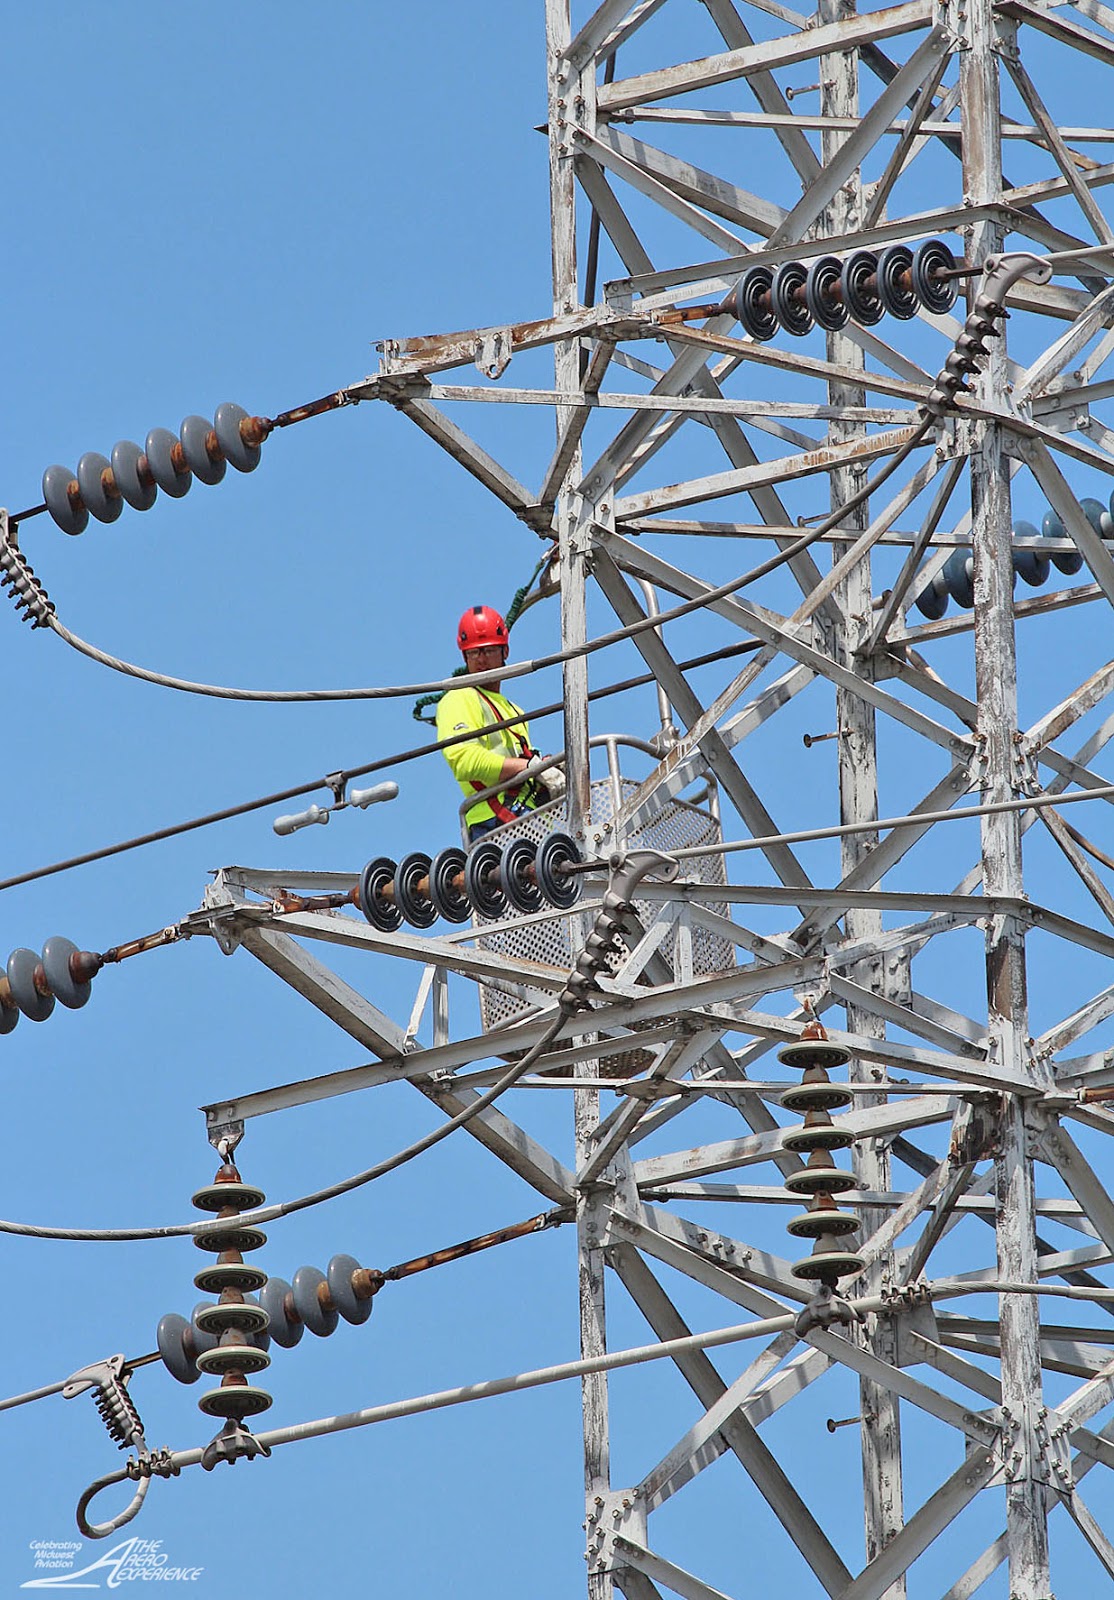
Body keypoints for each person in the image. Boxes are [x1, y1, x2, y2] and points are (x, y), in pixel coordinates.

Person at [436, 605, 564, 841]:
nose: (481, 660)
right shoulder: (458, 698)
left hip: (533, 822)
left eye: (489, 650)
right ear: (464, 656)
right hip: (493, 824)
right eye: (474, 653)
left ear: (505, 651)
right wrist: (527, 768)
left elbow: (521, 761)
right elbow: (463, 760)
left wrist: (545, 768)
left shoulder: (514, 711)